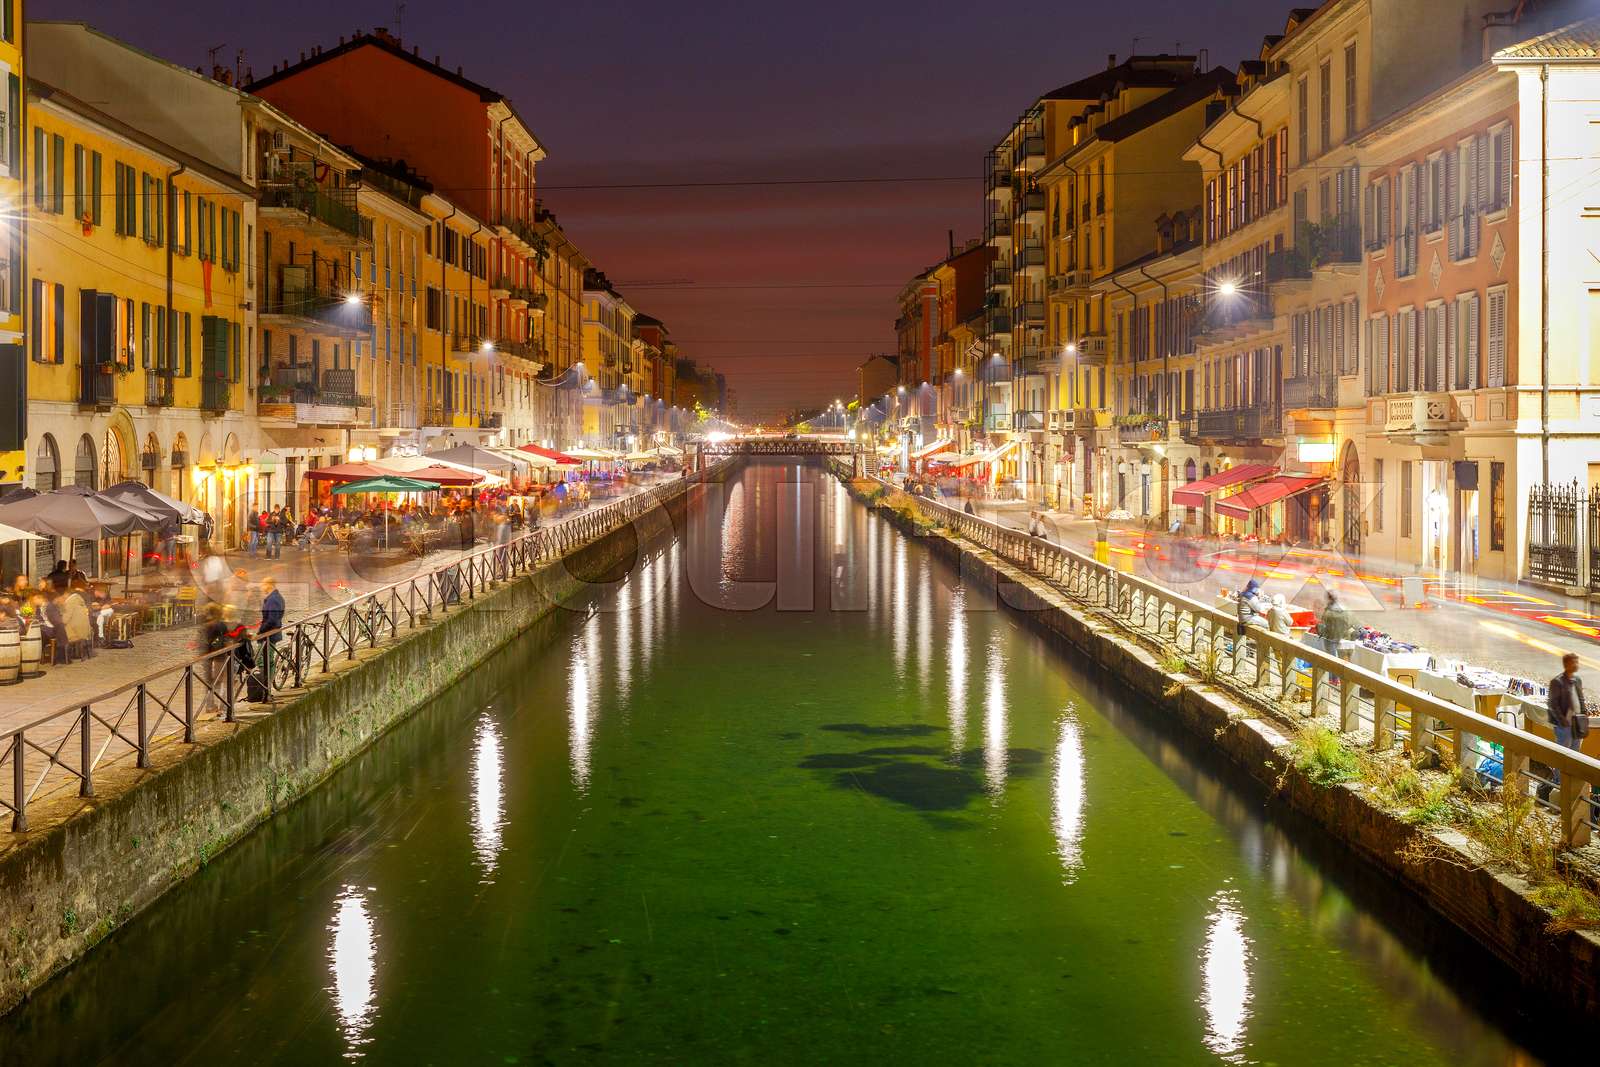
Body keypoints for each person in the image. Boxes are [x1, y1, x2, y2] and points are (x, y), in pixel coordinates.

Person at [1546, 654, 1590, 791]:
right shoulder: (1557, 682)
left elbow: (1581, 698)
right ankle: (1559, 783)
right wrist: (1563, 721)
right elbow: (1553, 704)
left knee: (1575, 753)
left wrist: (1584, 714)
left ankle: (1571, 781)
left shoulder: (1577, 680)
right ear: (1567, 664)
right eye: (1574, 662)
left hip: (1577, 723)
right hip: (1564, 726)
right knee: (1562, 755)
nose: (1577, 664)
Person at [1319, 592, 1355, 657]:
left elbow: (1324, 623)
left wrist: (1321, 632)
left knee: (1331, 656)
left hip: (1331, 637)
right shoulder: (1343, 608)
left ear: (1329, 598)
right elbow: (1349, 623)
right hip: (1342, 637)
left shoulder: (1329, 611)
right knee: (1340, 656)